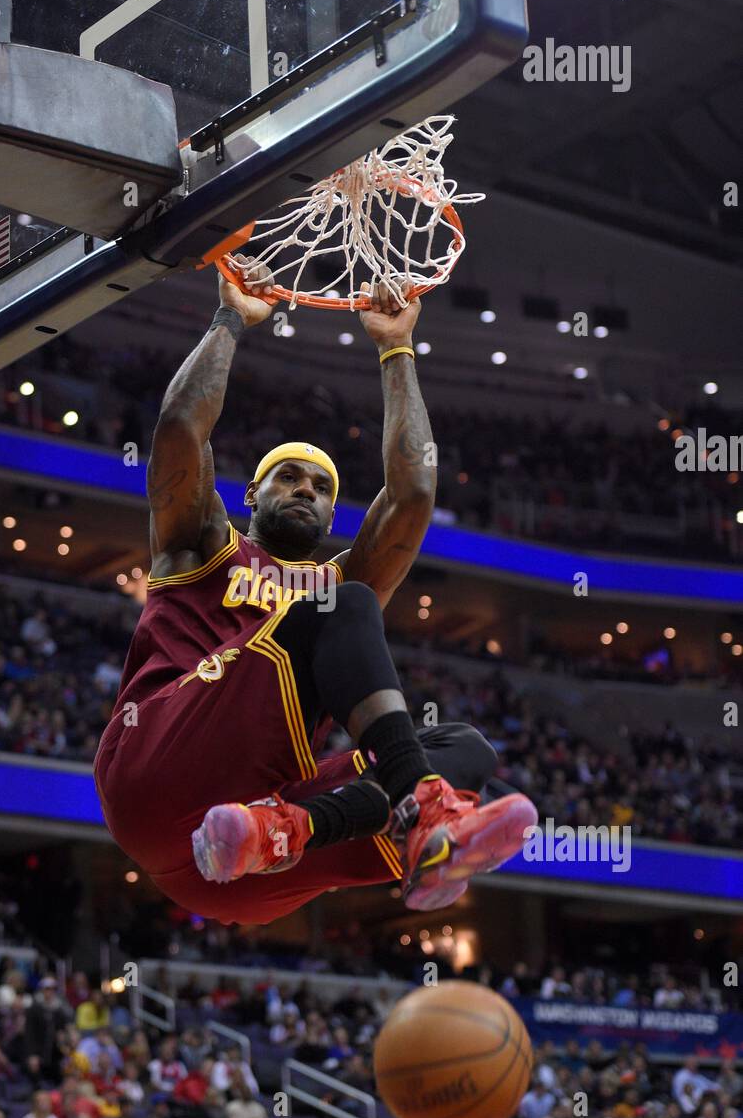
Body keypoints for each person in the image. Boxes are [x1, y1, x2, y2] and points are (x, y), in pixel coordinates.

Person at [95, 262, 536, 926]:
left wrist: (396, 346)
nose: (306, 489)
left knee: (468, 752)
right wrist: (229, 321)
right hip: (156, 770)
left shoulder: (336, 581)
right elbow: (181, 430)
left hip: (239, 861)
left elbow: (414, 491)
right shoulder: (202, 546)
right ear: (250, 495)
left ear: (333, 517)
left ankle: (295, 826)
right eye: (288, 478)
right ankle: (420, 802)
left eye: (321, 487)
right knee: (345, 605)